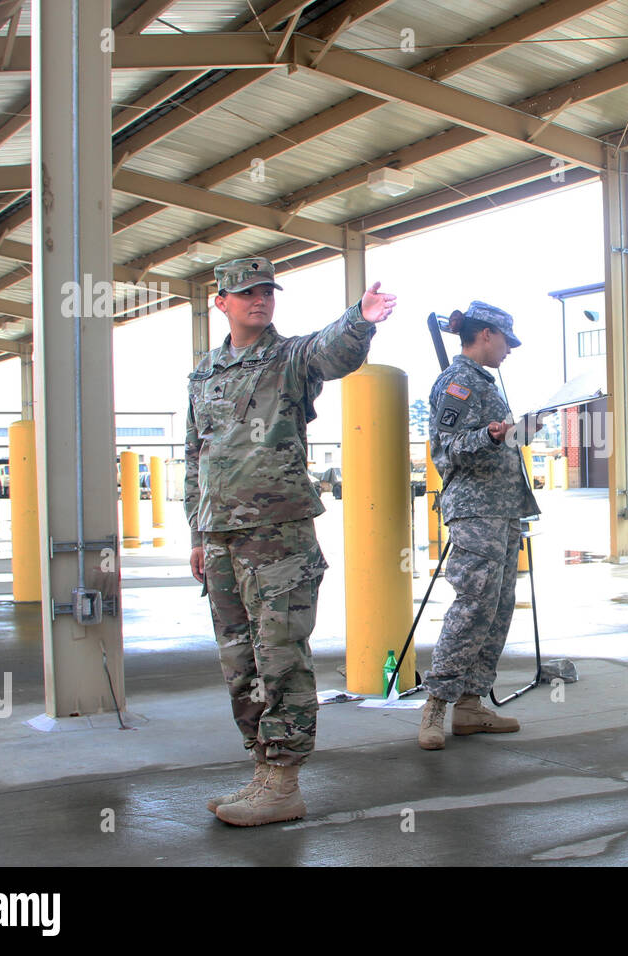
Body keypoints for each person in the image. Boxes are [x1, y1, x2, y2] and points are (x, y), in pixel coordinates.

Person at [186, 256, 396, 825]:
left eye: (267, 292)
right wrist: (198, 532)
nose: (260, 299)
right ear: (222, 302)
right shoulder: (203, 373)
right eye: (247, 292)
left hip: (278, 536)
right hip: (222, 534)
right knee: (239, 660)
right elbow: (194, 455)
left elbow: (334, 351)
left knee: (280, 655)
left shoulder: (290, 358)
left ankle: (284, 781)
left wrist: (361, 318)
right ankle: (262, 771)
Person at [419, 301, 545, 750]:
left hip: (504, 507)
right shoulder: (457, 383)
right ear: (487, 334)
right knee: (473, 603)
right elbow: (447, 448)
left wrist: (514, 432)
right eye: (506, 341)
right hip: (476, 510)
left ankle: (470, 705)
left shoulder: (483, 383)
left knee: (498, 606)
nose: (509, 350)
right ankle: (436, 704)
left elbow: (488, 442)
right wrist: (490, 436)